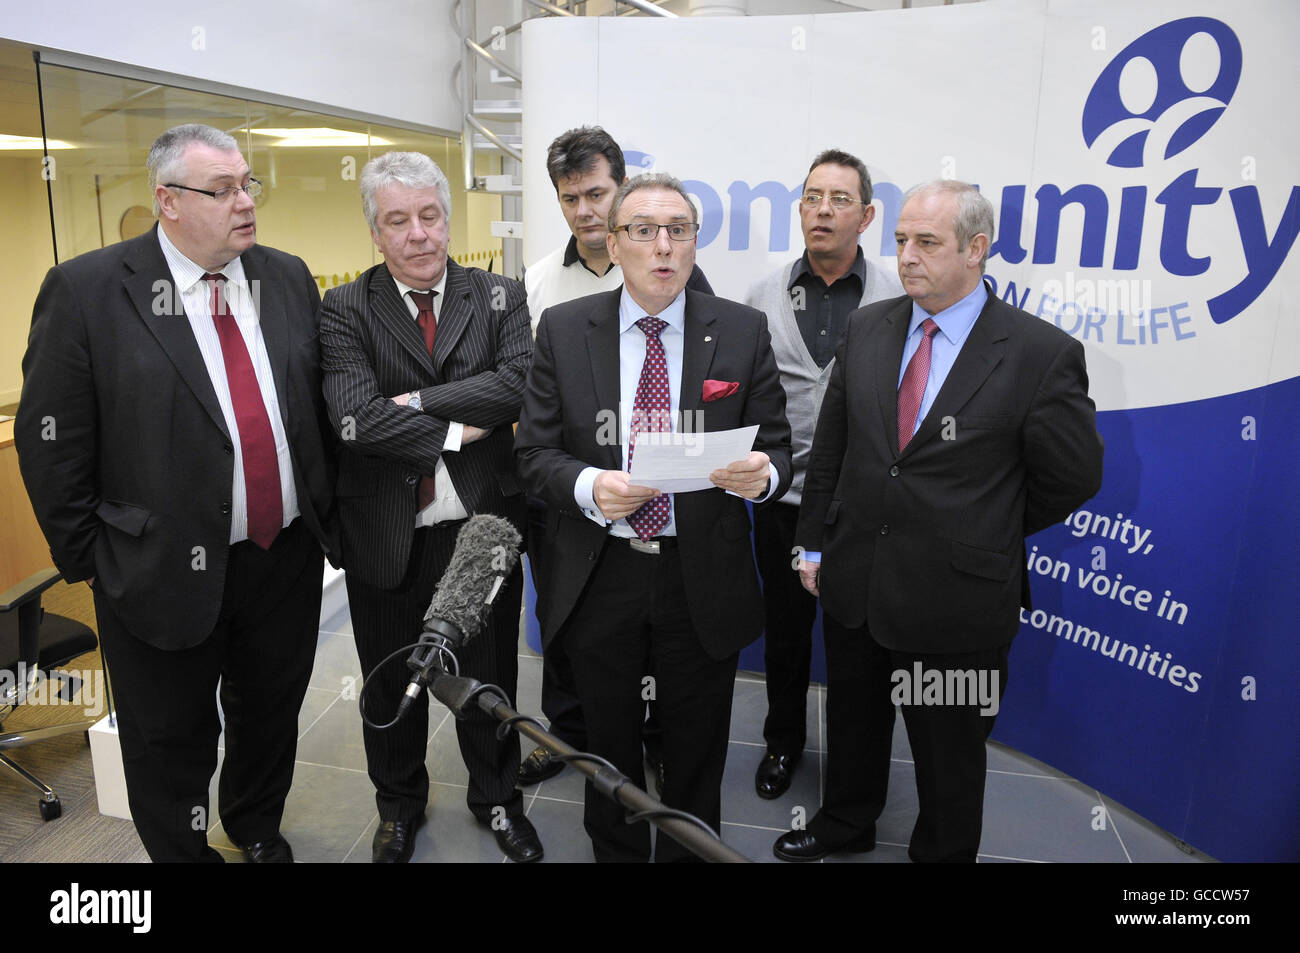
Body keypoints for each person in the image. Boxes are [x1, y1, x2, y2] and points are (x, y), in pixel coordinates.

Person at [15, 123, 336, 863]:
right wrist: (94, 560)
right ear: (168, 201)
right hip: (157, 566)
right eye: (222, 190)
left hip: (282, 555)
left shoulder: (285, 275)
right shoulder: (90, 291)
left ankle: (255, 827)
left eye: (248, 184)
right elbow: (51, 442)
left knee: (270, 713)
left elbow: (309, 407)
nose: (245, 202)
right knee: (169, 739)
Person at [775, 180, 1104, 863]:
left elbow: (1074, 476)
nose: (906, 256)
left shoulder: (1039, 353)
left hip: (958, 602)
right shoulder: (869, 326)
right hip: (857, 581)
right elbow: (833, 447)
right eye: (900, 240)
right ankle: (845, 824)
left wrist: (986, 525)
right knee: (854, 722)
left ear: (976, 249)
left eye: (926, 242)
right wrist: (813, 542)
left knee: (949, 757)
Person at [516, 173, 792, 862]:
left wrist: (764, 477)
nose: (663, 246)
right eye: (643, 230)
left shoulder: (741, 329)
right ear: (613, 244)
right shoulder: (564, 329)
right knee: (605, 749)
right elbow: (534, 455)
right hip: (601, 571)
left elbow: (779, 449)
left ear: (695, 242)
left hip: (700, 575)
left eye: (679, 230)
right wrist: (588, 485)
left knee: (696, 746)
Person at [319, 152, 540, 863]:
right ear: (375, 233)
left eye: (430, 215)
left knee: (487, 681)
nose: (418, 234)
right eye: (398, 221)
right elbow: (354, 417)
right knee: (390, 682)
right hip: (386, 531)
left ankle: (498, 799)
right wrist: (456, 427)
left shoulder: (499, 294)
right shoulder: (344, 308)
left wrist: (413, 403)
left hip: (479, 529)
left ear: (447, 218)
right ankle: (398, 806)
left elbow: (518, 384)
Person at [519, 126, 714, 788]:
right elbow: (525, 395)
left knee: (660, 639)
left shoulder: (678, 273)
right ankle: (569, 735)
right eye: (569, 198)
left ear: (622, 189)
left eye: (596, 194)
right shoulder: (539, 283)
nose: (584, 211)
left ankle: (656, 738)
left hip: (663, 505)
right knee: (566, 622)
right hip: (572, 497)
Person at [743, 149, 902, 799]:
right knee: (784, 638)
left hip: (861, 511)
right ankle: (782, 742)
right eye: (812, 197)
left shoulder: (899, 297)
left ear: (866, 216)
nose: (823, 210)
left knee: (856, 649)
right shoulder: (763, 296)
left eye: (839, 199)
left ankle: (852, 770)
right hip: (781, 503)